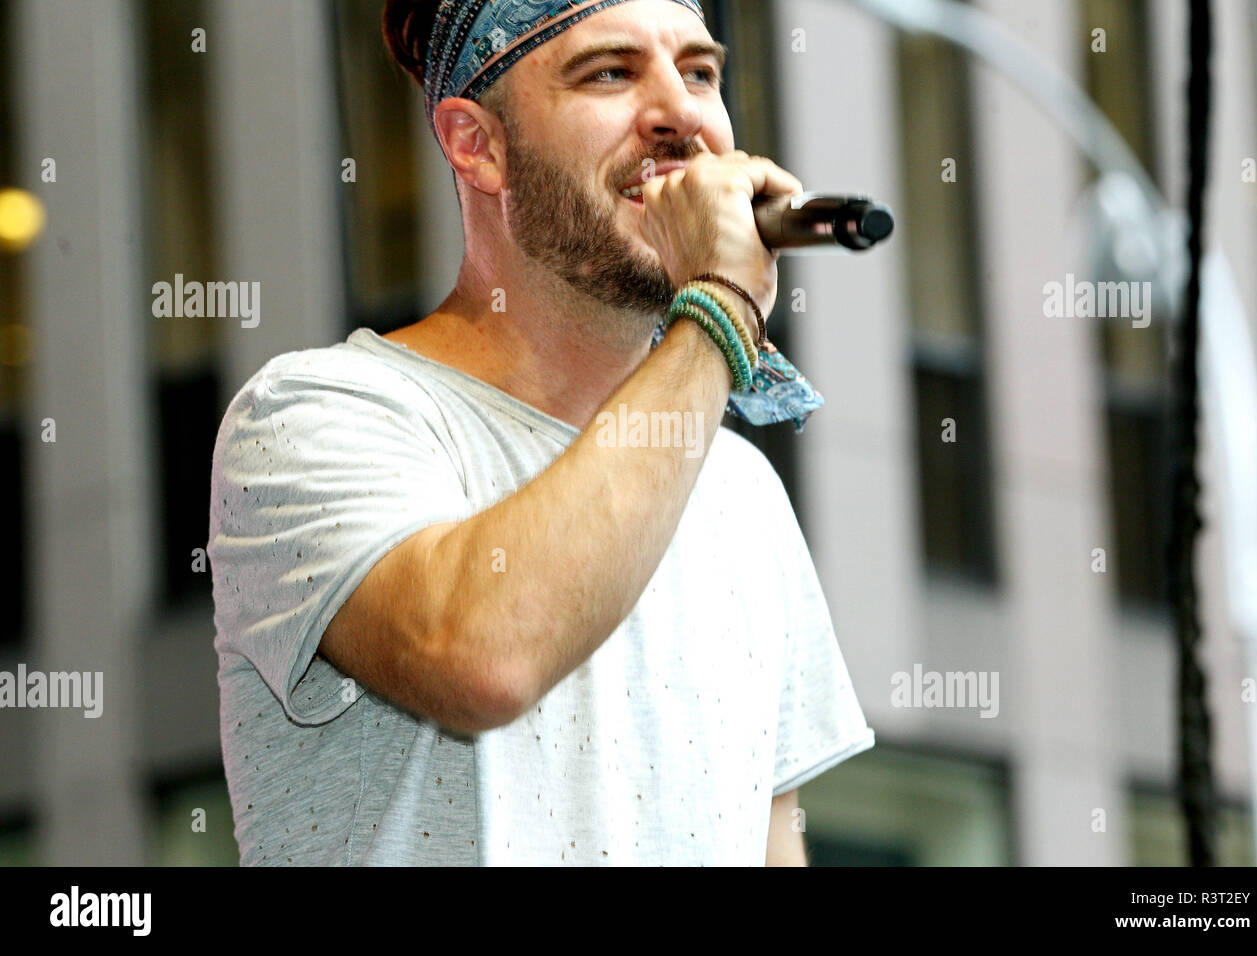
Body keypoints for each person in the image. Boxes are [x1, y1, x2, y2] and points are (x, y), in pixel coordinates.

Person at [208, 0, 874, 866]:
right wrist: (717, 310)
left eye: (700, 72)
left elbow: (772, 845)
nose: (682, 115)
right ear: (475, 144)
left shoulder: (739, 489)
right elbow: (483, 656)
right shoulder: (315, 415)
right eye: (610, 71)